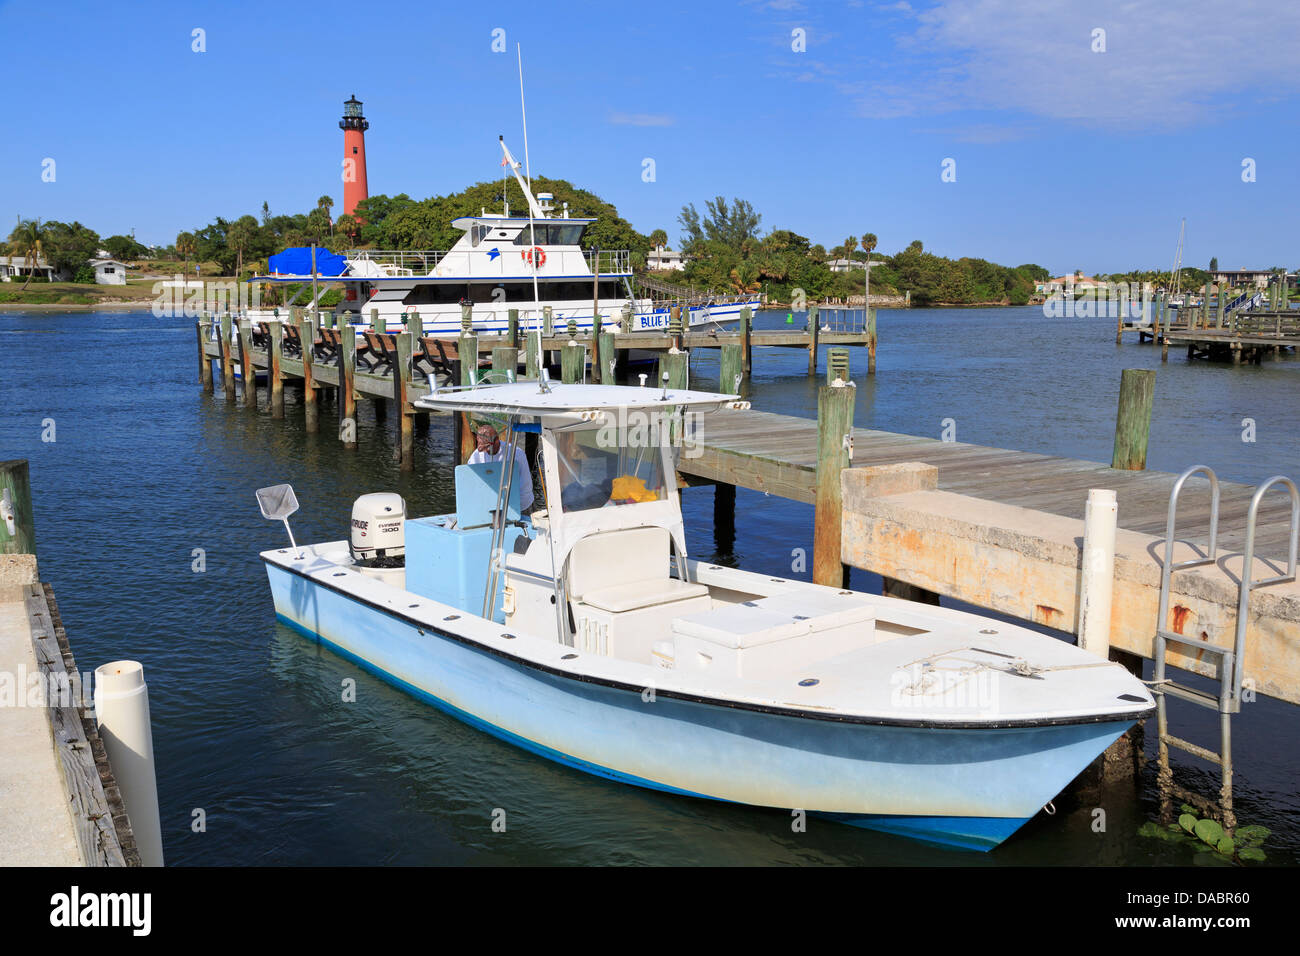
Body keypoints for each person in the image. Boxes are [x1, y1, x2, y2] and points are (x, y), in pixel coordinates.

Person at [468, 423, 534, 513]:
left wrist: (513, 508)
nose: (484, 450)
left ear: (496, 440)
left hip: (521, 505)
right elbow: (472, 484)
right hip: (491, 505)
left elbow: (525, 486)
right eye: (480, 446)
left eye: (487, 446)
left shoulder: (516, 454)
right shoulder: (476, 456)